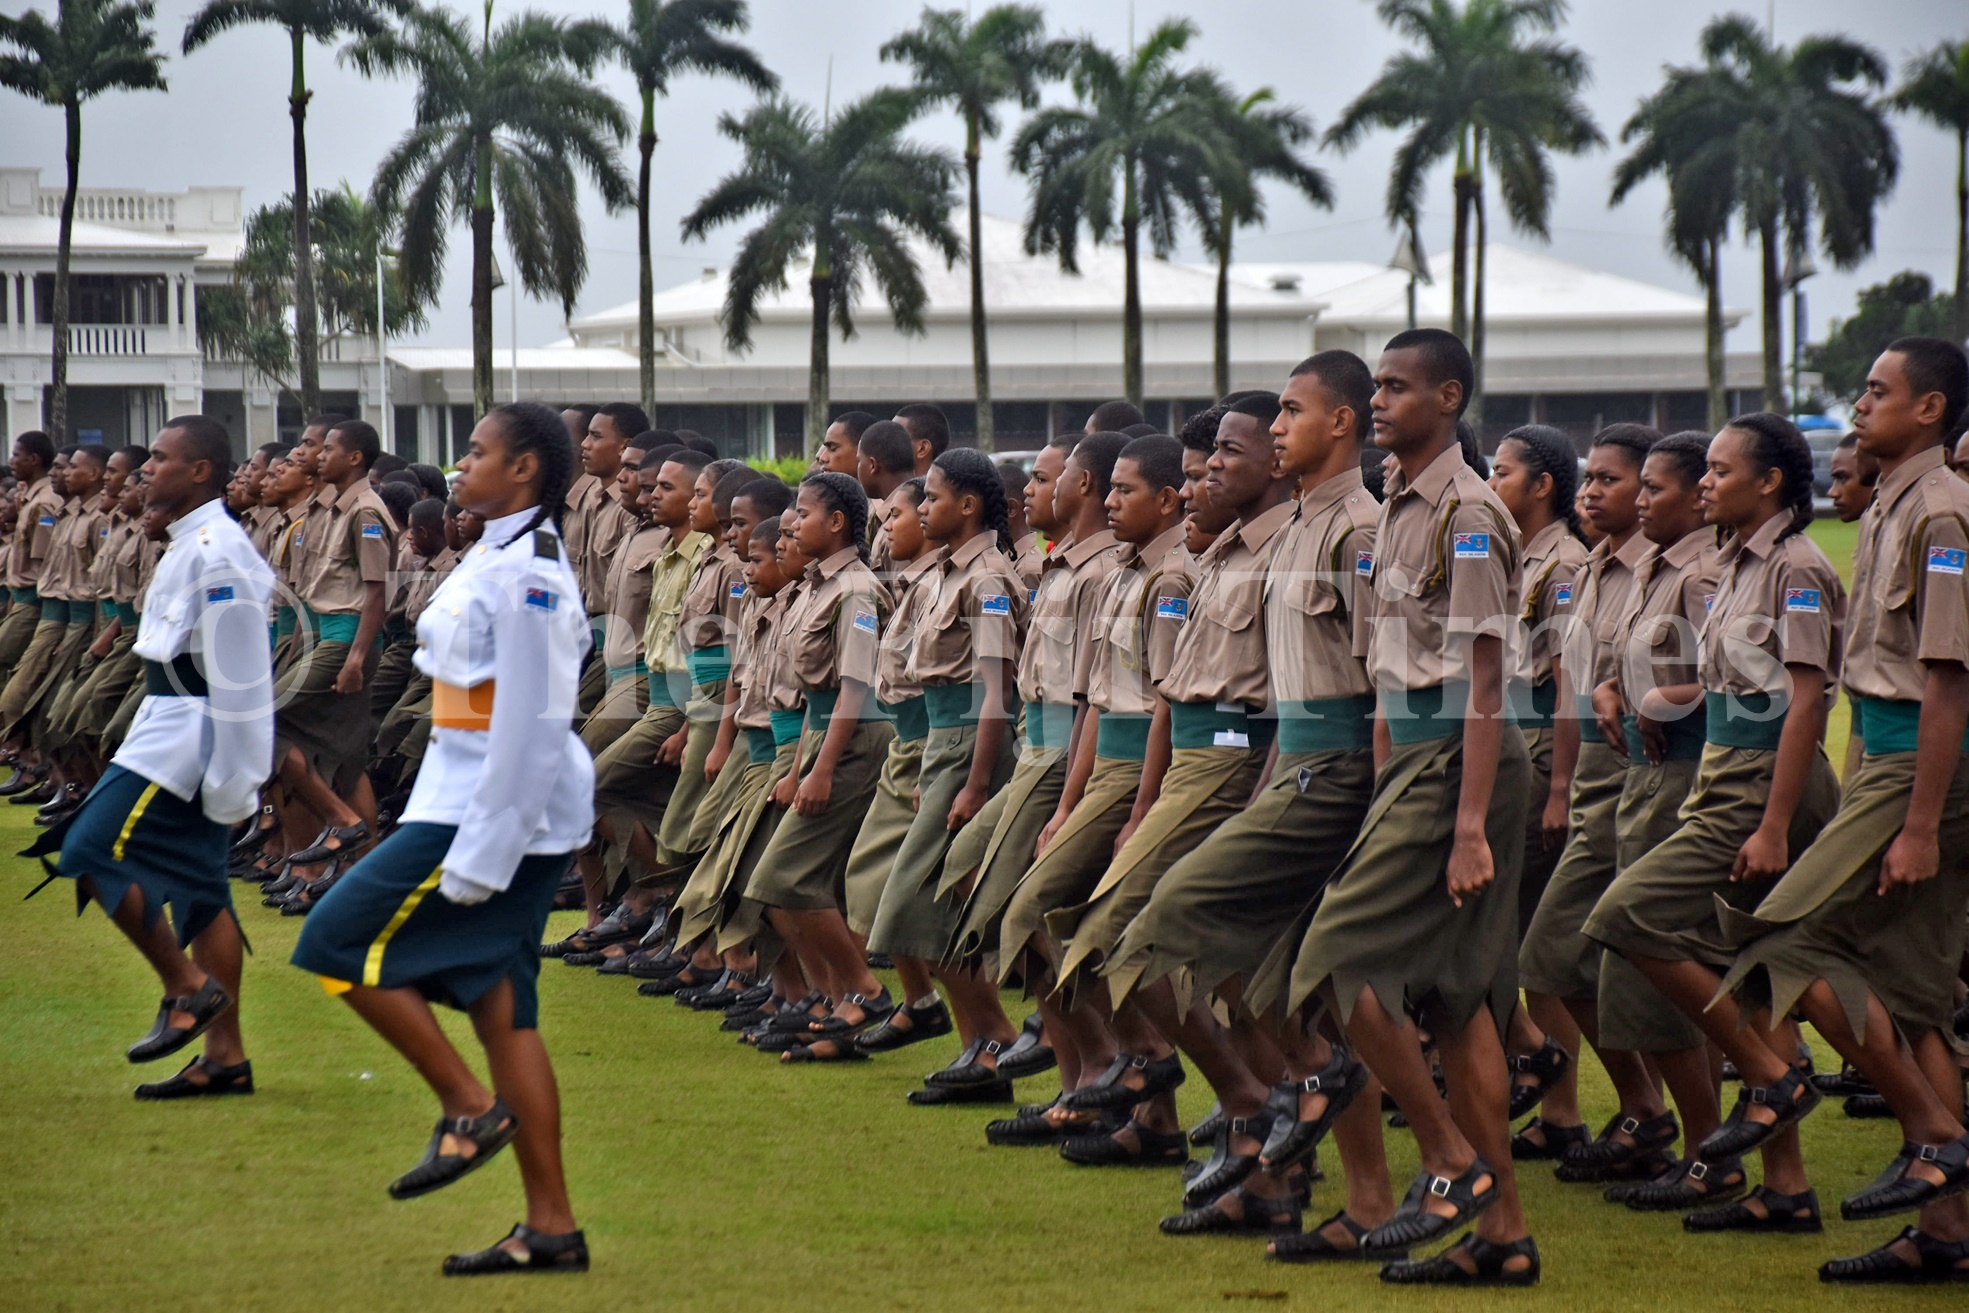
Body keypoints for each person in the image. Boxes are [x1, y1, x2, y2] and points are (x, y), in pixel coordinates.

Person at [290, 400, 592, 1276]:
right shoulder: (496, 553)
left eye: (478, 451)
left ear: (526, 467)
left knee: (336, 941)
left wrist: (483, 851)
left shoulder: (529, 571)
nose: (461, 465)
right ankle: (551, 1227)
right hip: (460, 791)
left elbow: (533, 724)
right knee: (505, 1011)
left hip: (493, 811)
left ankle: (468, 1106)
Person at [1284, 328, 1538, 1286]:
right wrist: (1386, 779)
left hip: (1462, 764)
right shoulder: (1397, 502)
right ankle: (1504, 1234)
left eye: (1398, 387)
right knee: (1456, 1001)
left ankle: (1446, 1160)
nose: (1380, 401)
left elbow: (1483, 677)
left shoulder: (1466, 512)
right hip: (1415, 763)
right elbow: (1386, 669)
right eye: (1376, 386)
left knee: (1337, 957)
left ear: (1450, 397)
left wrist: (1468, 823)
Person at [1713, 340, 1969, 1282]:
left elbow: (1947, 679)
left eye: (1876, 390)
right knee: (1912, 998)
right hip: (1893, 766)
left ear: (1931, 409)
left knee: (1774, 936)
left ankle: (1936, 1131)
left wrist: (1916, 822)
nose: (1858, 406)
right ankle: (1947, 1229)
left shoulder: (1940, 513)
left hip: (1913, 772)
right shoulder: (1895, 504)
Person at [1117, 357, 1388, 1243]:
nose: (1274, 429)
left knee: (1208, 934)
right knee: (1272, 979)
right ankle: (1291, 1166)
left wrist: (1378, 798)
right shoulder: (1293, 532)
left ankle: (1326, 1117)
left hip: (1329, 774)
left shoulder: (1352, 529)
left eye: (1287, 413)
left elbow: (1380, 679)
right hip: (1284, 769)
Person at [1584, 412, 1844, 1234]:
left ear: (1768, 482)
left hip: (1759, 783)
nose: (1704, 481)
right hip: (1723, 777)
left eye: (1719, 470)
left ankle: (1773, 1077)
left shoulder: (1793, 566)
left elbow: (1804, 700)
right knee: (1753, 969)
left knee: (1625, 913)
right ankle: (1784, 1184)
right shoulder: (1733, 562)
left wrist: (1770, 824)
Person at [23, 414, 274, 1099]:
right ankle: (225, 1058)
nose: (145, 471)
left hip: (191, 737)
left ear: (200, 471)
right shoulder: (192, 540)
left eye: (159, 459)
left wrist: (236, 775)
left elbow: (242, 679)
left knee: (87, 849)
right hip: (168, 721)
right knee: (202, 889)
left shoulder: (218, 551)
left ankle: (188, 988)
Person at [1513, 425, 1665, 1172]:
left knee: (1598, 950)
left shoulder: (1606, 568)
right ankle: (1619, 1110)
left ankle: (1657, 1115)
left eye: (1611, 478)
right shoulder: (1602, 566)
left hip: (1631, 774)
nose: (1592, 490)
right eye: (1589, 477)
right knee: (1557, 952)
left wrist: (1560, 786)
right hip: (1583, 770)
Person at [862, 448, 1027, 1099]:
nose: (920, 507)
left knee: (923, 900)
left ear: (969, 505)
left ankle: (993, 1039)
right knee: (935, 903)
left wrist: (975, 782)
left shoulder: (986, 579)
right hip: (942, 743)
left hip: (971, 747)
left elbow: (996, 693)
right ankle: (978, 1045)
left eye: (931, 497)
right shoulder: (945, 575)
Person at [1484, 426, 1588, 1137]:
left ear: (1542, 484)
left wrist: (1557, 790)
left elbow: (1567, 686)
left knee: (1532, 946)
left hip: (1544, 753)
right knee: (1514, 940)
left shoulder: (1561, 566)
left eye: (1502, 472)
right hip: (1512, 749)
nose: (1491, 484)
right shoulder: (1515, 557)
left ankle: (1559, 1107)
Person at [1827, 432, 1880, 523]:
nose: (1832, 493)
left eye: (1842, 478)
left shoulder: (1905, 522)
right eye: (1835, 479)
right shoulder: (1870, 526)